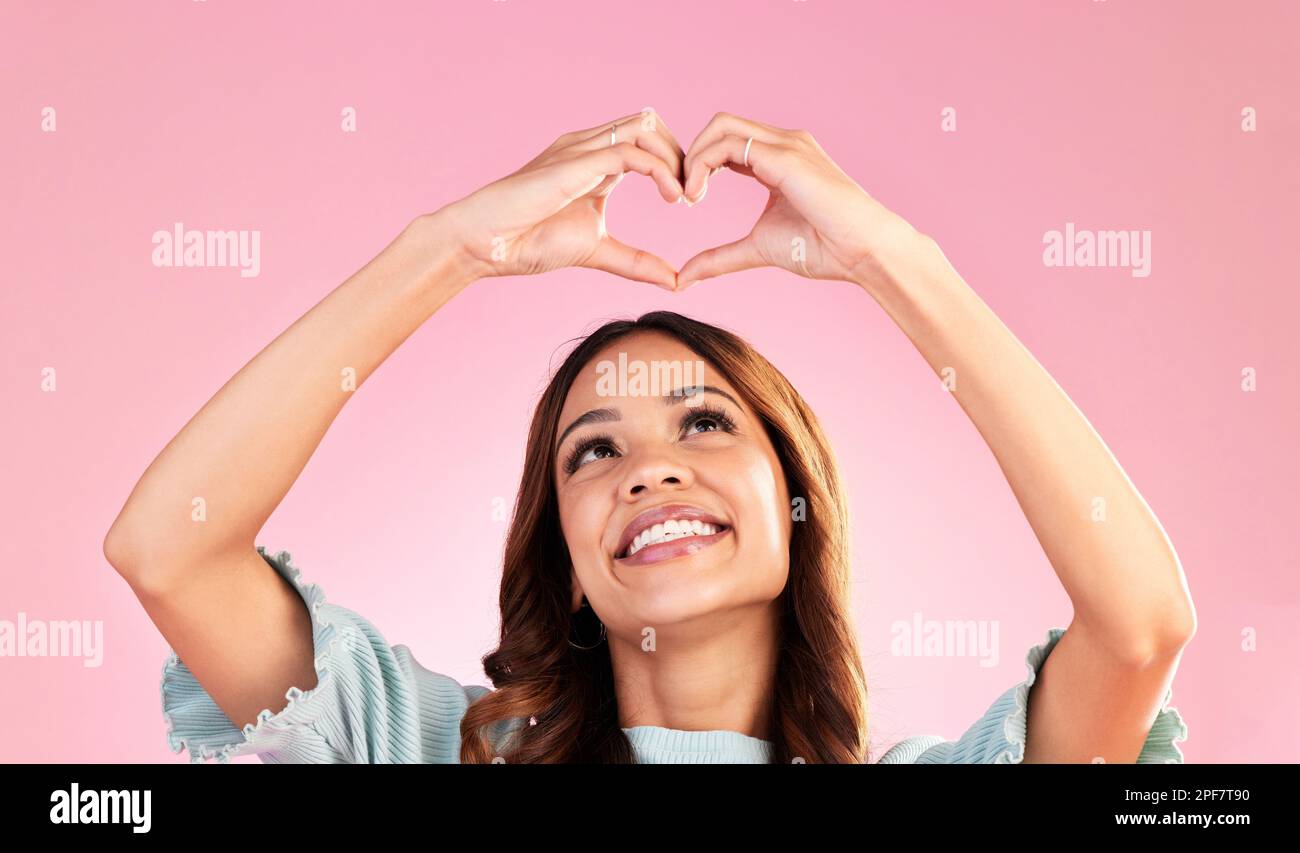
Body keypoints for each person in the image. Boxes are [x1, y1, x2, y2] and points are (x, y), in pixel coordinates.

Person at [104, 110, 1193, 763]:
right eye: (594, 449)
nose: (651, 467)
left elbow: (1138, 628)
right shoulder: (427, 745)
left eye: (706, 422)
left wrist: (892, 258)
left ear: (796, 508)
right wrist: (447, 249)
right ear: (566, 563)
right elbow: (171, 548)